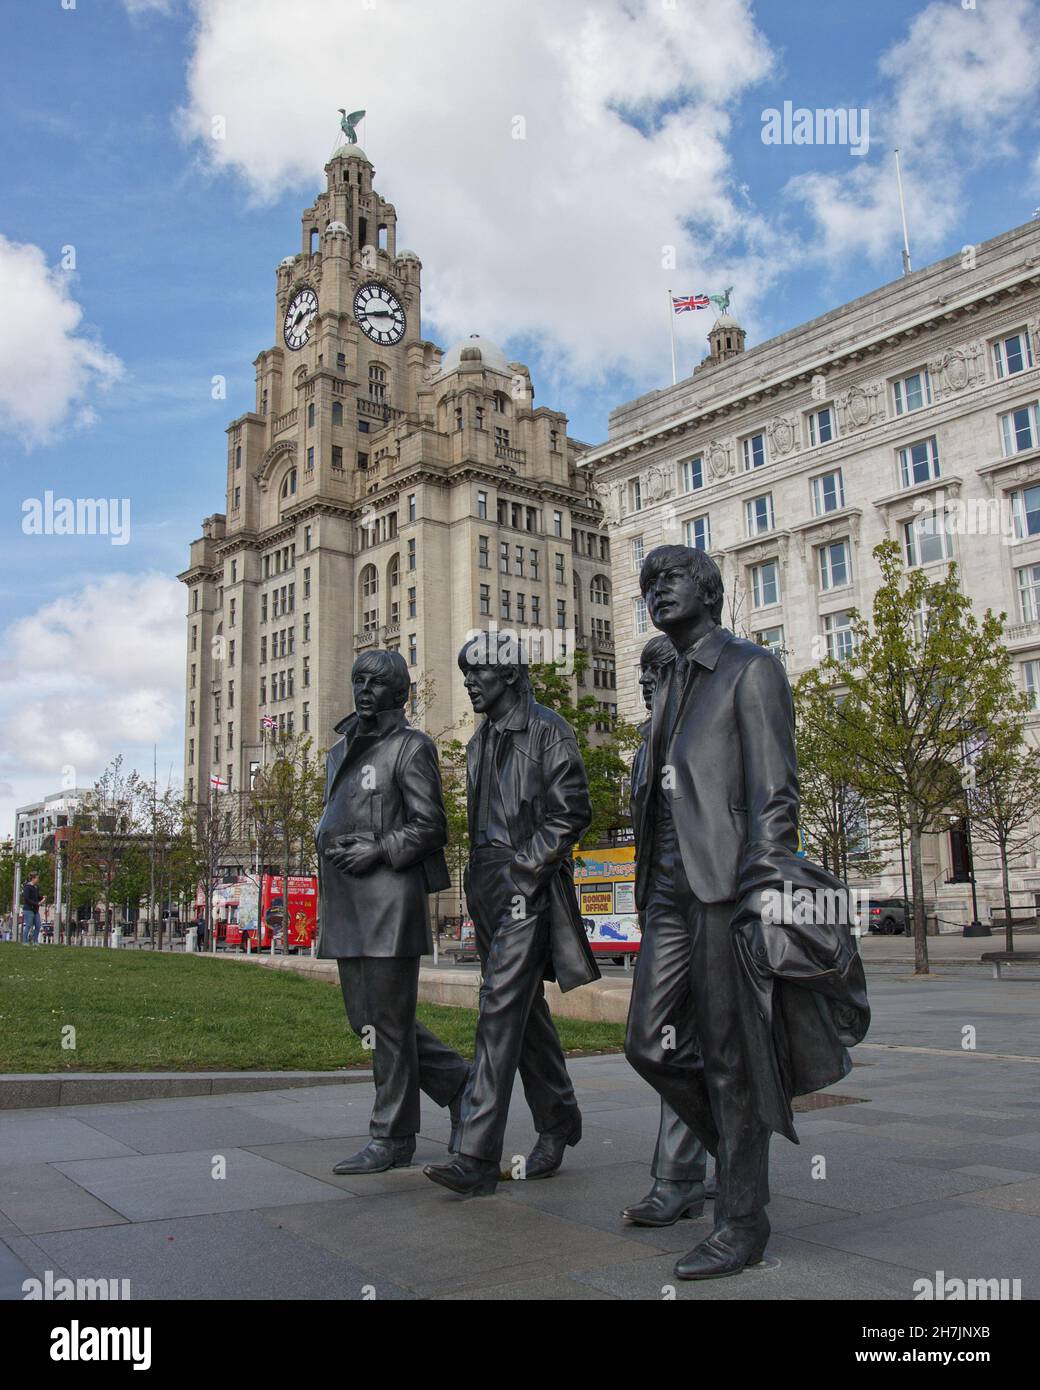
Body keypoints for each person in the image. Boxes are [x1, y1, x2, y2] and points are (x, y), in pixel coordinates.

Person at [625, 545, 869, 1280]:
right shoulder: (667, 680)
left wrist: (764, 892)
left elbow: (775, 795)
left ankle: (742, 1216)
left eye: (667, 580)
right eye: (647, 586)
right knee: (650, 1044)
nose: (655, 593)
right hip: (666, 892)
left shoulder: (748, 669)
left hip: (727, 888)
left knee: (733, 1059)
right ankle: (735, 1163)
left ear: (707, 589)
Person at [423, 631, 598, 1198]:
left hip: (528, 886)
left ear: (511, 675)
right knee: (525, 1015)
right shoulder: (477, 743)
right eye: (466, 673)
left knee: (497, 1012)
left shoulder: (548, 729)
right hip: (487, 889)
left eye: (479, 673)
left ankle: (475, 1155)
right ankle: (560, 1117)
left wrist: (525, 869)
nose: (470, 683)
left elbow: (572, 811)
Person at [316, 648, 470, 1174]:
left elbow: (432, 826)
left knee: (386, 1021)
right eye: (358, 679)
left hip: (388, 898)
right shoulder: (338, 752)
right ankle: (460, 1085)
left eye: (377, 683)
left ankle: (393, 1133)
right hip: (345, 898)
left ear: (400, 692)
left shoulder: (412, 747)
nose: (364, 689)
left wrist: (379, 848)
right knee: (366, 1019)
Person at [621, 633, 717, 1228]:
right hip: (661, 902)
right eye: (643, 680)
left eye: (655, 678)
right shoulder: (644, 745)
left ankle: (680, 1178)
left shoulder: (710, 730)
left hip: (714, 900)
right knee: (651, 1040)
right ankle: (729, 1145)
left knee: (712, 1042)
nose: (644, 689)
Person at [21, 873, 43, 945]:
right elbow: (27, 899)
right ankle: (25, 941)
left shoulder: (36, 887)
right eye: (37, 878)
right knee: (28, 925)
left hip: (35, 910)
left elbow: (37, 897)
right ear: (33, 879)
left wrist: (43, 897)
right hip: (28, 910)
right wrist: (36, 903)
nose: (38, 880)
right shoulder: (27, 887)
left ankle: (35, 941)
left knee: (38, 925)